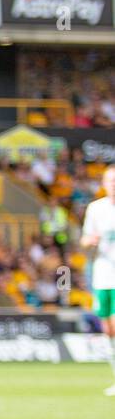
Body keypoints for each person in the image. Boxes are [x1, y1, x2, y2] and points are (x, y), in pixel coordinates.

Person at [80, 166, 115, 395]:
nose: (113, 184)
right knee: (108, 329)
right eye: (110, 181)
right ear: (103, 183)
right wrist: (90, 241)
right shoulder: (96, 208)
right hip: (103, 274)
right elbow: (83, 241)